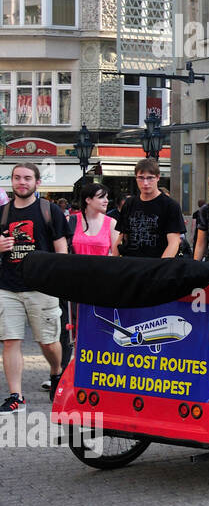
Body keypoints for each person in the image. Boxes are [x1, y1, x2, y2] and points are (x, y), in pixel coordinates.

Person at [0, 163, 70, 413]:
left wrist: (59, 280)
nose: (22, 182)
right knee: (10, 340)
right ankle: (16, 396)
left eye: (27, 178)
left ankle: (56, 371)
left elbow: (62, 249)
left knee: (48, 342)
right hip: (8, 286)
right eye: (17, 178)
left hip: (42, 287)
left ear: (37, 182)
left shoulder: (49, 210)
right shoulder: (3, 212)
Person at [113, 158, 184, 258]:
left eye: (150, 178)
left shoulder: (170, 206)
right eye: (141, 178)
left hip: (156, 264)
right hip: (129, 264)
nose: (145, 183)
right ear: (136, 178)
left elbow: (174, 242)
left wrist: (159, 269)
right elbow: (120, 237)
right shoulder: (129, 203)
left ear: (158, 177)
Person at [71, 182, 117, 257]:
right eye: (101, 197)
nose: (106, 201)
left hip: (102, 268)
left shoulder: (112, 223)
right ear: (88, 200)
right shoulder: (71, 220)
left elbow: (116, 255)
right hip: (75, 267)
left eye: (107, 197)